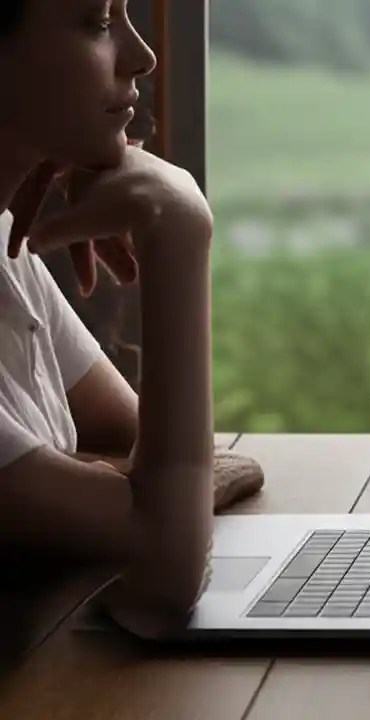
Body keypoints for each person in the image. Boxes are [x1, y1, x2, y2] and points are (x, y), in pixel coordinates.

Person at [0, 0, 215, 638]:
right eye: (98, 22)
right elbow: (166, 559)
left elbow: (141, 442)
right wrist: (178, 227)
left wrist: (136, 494)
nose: (142, 57)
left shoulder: (6, 247)